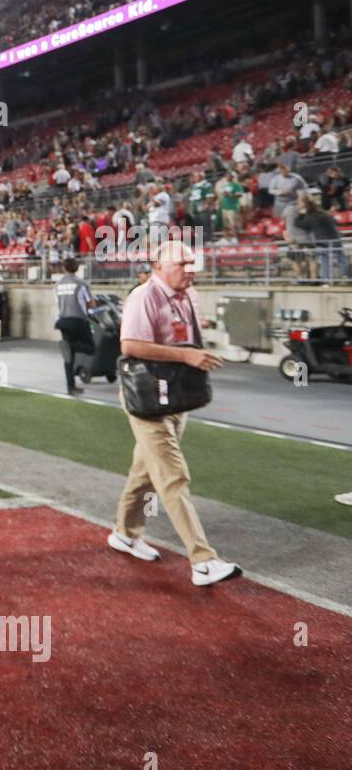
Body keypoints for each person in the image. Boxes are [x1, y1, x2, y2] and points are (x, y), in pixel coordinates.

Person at [107, 240, 241, 587]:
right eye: (182, 263)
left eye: (191, 263)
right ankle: (203, 560)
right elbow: (130, 346)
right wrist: (186, 356)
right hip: (148, 396)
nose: (190, 269)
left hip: (176, 395)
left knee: (145, 472)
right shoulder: (143, 296)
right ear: (159, 267)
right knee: (172, 474)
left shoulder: (189, 296)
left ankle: (124, 532)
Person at [54, 258, 100, 395]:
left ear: (64, 268)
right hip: (78, 320)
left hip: (63, 321)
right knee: (91, 348)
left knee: (68, 358)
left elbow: (58, 303)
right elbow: (91, 303)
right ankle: (71, 346)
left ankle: (71, 387)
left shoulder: (58, 285)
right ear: (77, 268)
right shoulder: (81, 284)